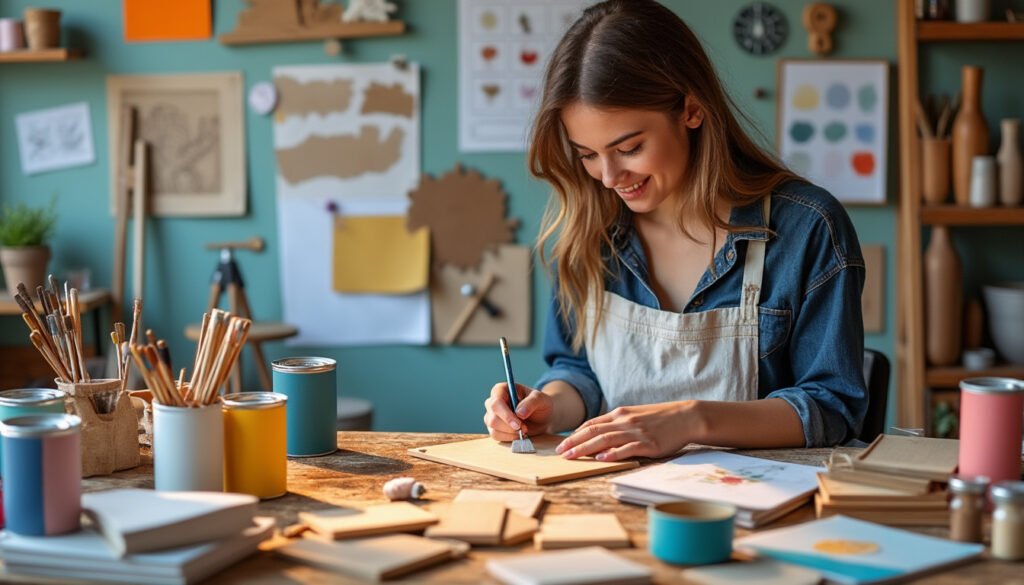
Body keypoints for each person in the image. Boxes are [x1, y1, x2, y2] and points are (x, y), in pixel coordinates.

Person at [483, 0, 867, 461]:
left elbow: (832, 408)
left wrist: (691, 421)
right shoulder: (591, 231)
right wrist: (549, 405)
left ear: (691, 109)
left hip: (755, 506)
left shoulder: (808, 228)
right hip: (610, 496)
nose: (608, 177)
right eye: (587, 154)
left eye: (629, 147)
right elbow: (578, 368)